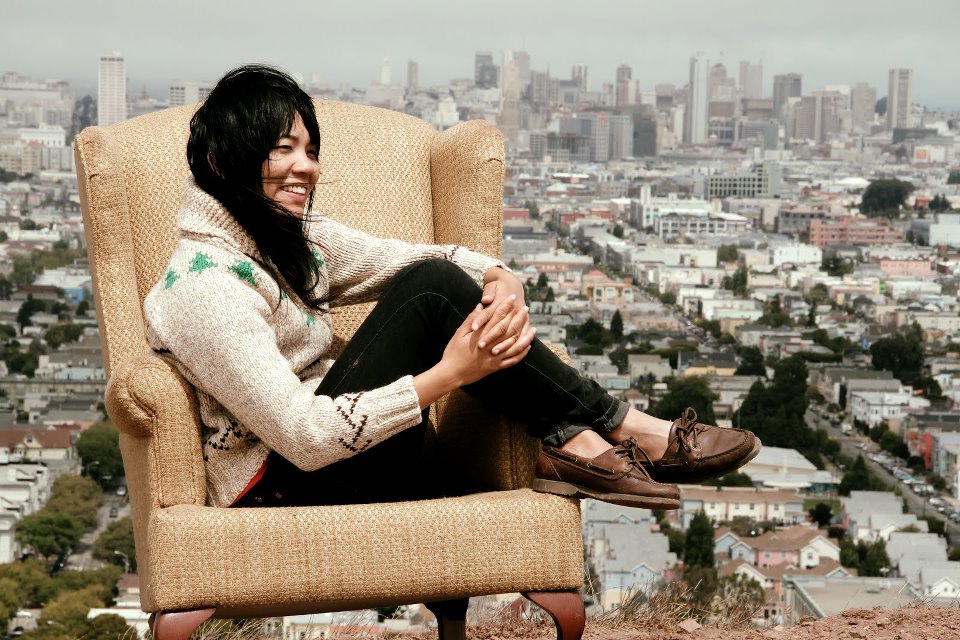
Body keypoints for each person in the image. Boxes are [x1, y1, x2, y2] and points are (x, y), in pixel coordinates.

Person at [143, 65, 760, 512]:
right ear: (224, 166)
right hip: (279, 486)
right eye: (283, 151)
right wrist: (450, 375)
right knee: (434, 291)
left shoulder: (283, 236)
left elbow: (419, 258)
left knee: (438, 279)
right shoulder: (204, 288)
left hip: (347, 454)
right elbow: (304, 437)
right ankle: (617, 429)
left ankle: (577, 437)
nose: (307, 167)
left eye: (310, 149)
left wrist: (500, 276)